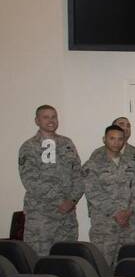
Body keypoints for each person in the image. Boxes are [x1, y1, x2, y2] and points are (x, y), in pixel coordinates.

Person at [17, 105, 83, 256]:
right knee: (40, 260)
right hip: (41, 216)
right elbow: (30, 180)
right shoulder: (29, 146)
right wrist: (59, 201)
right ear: (37, 120)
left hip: (67, 216)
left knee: (66, 259)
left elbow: (78, 175)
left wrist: (72, 200)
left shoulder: (67, 144)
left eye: (54, 116)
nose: (51, 120)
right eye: (46, 117)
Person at [81, 124, 135, 263]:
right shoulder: (93, 165)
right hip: (105, 225)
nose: (116, 142)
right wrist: (116, 212)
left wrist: (129, 211)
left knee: (128, 264)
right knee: (103, 264)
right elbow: (93, 193)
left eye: (120, 139)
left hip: (129, 225)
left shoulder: (131, 165)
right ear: (104, 139)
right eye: (112, 138)